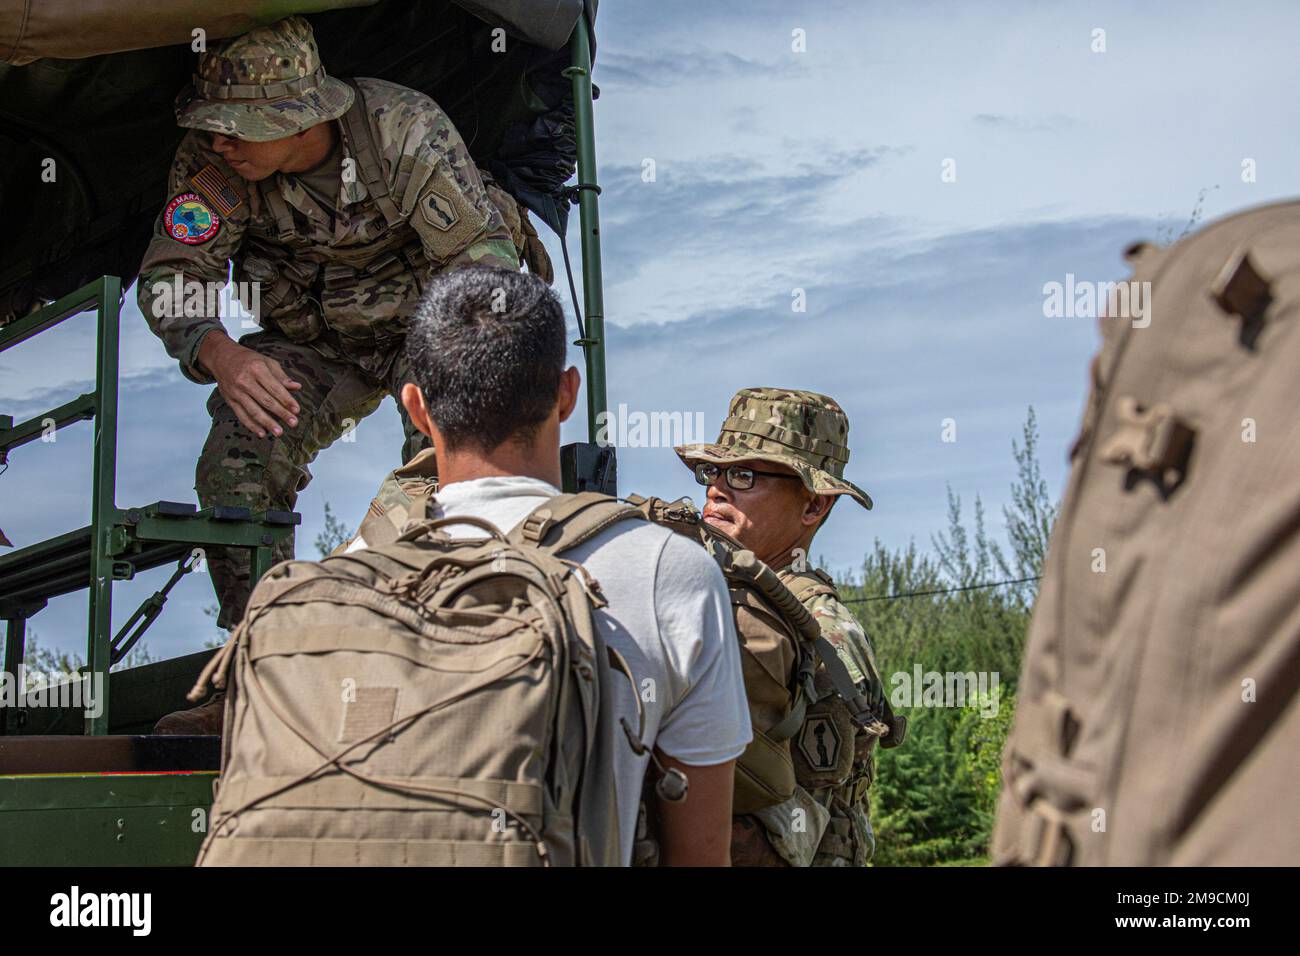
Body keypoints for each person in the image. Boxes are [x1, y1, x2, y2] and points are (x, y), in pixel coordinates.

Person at [137, 15, 539, 649]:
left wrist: (456, 384)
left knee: (452, 461)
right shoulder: (215, 164)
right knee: (234, 463)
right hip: (312, 345)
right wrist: (221, 354)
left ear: (297, 119)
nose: (218, 143)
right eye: (209, 127)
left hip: (428, 330)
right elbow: (172, 275)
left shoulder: (400, 130)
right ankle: (261, 651)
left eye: (234, 128)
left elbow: (482, 265)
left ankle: (449, 637)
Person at [344, 265, 752, 864]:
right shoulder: (671, 571)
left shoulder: (347, 577)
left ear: (417, 409)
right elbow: (701, 853)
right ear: (567, 393)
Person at [675, 388, 889, 866]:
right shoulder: (718, 596)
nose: (715, 489)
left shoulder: (820, 630)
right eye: (713, 471)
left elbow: (794, 823)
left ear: (813, 505)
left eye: (744, 475)